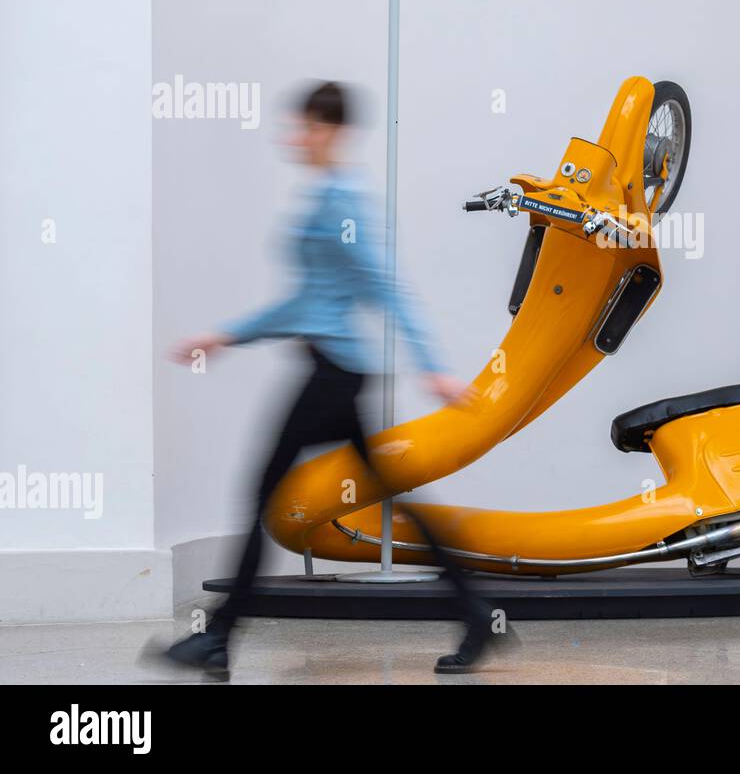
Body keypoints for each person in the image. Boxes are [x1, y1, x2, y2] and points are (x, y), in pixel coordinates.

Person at [159, 81, 506, 677]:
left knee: (262, 490)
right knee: (392, 496)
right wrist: (226, 337)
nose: (298, 138)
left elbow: (386, 284)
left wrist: (435, 367)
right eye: (299, 127)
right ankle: (475, 613)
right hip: (337, 371)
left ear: (336, 133)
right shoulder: (326, 197)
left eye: (311, 129)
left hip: (334, 374)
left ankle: (218, 638)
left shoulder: (341, 202)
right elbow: (304, 303)